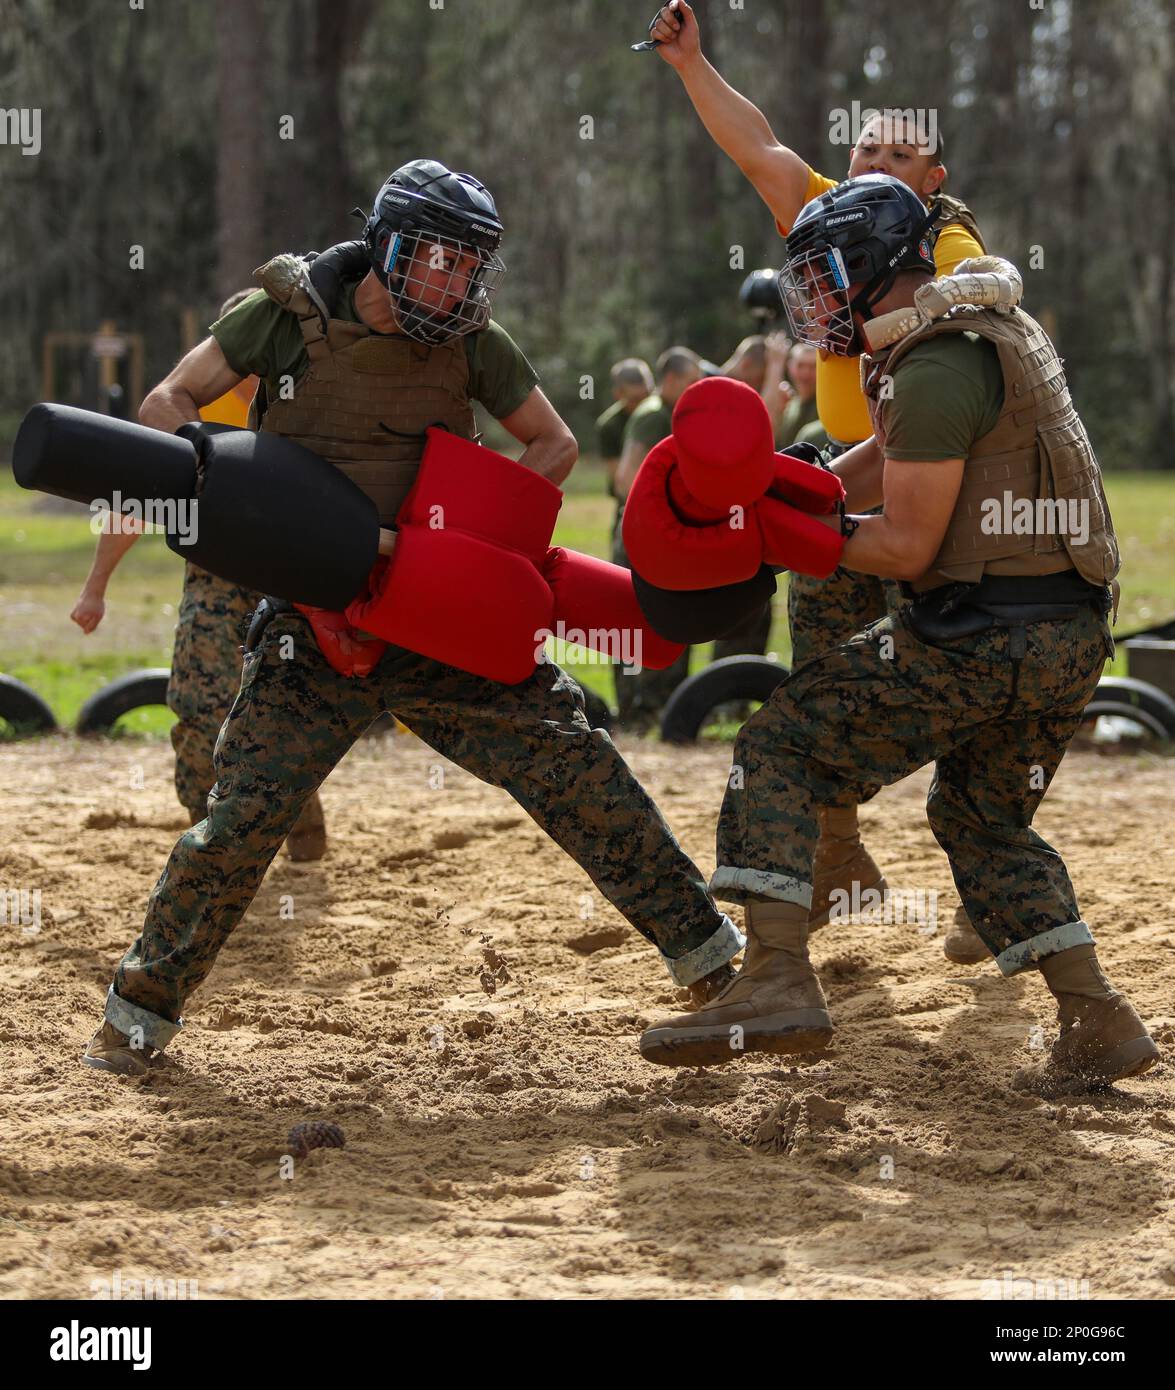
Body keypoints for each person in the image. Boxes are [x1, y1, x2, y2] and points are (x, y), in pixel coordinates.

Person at [81, 159, 743, 1075]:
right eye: (441, 261)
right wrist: (237, 497)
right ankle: (135, 1016)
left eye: (472, 267)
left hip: (437, 619)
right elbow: (169, 400)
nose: (459, 284)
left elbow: (552, 442)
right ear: (388, 248)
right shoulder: (285, 312)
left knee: (575, 764)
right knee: (238, 820)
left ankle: (714, 963)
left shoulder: (474, 342)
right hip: (310, 624)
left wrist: (454, 547)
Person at [638, 175, 1159, 1100]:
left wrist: (792, 533)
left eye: (827, 277)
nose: (817, 300)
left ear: (874, 263)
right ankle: (1093, 1016)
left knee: (780, 748)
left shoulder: (931, 364)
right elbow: (893, 455)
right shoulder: (987, 334)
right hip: (1067, 635)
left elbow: (905, 542)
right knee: (978, 820)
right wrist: (791, 487)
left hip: (983, 636)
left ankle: (775, 978)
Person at [647, 0, 990, 962]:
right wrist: (689, 65)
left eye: (896, 159)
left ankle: (988, 885)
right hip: (850, 473)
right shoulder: (833, 212)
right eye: (866, 153)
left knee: (965, 678)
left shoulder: (948, 246)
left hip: (930, 474)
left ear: (934, 178)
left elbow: (982, 308)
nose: (874, 169)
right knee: (823, 669)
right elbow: (755, 147)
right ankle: (839, 853)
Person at [71, 291, 328, 860]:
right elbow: (136, 500)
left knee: (284, 717)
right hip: (215, 577)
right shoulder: (191, 411)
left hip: (291, 577)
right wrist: (95, 588)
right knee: (198, 709)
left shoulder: (310, 402)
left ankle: (304, 832)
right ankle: (210, 845)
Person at [609, 346, 704, 729]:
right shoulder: (653, 418)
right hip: (644, 540)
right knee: (636, 622)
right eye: (691, 382)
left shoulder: (669, 414)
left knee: (661, 621)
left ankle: (655, 711)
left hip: (654, 539)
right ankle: (639, 714)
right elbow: (626, 479)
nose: (697, 389)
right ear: (670, 381)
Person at [595, 357, 654, 540]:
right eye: (635, 399)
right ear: (618, 394)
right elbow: (619, 479)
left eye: (647, 397)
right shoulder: (609, 426)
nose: (643, 406)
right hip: (629, 507)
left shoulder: (658, 415)